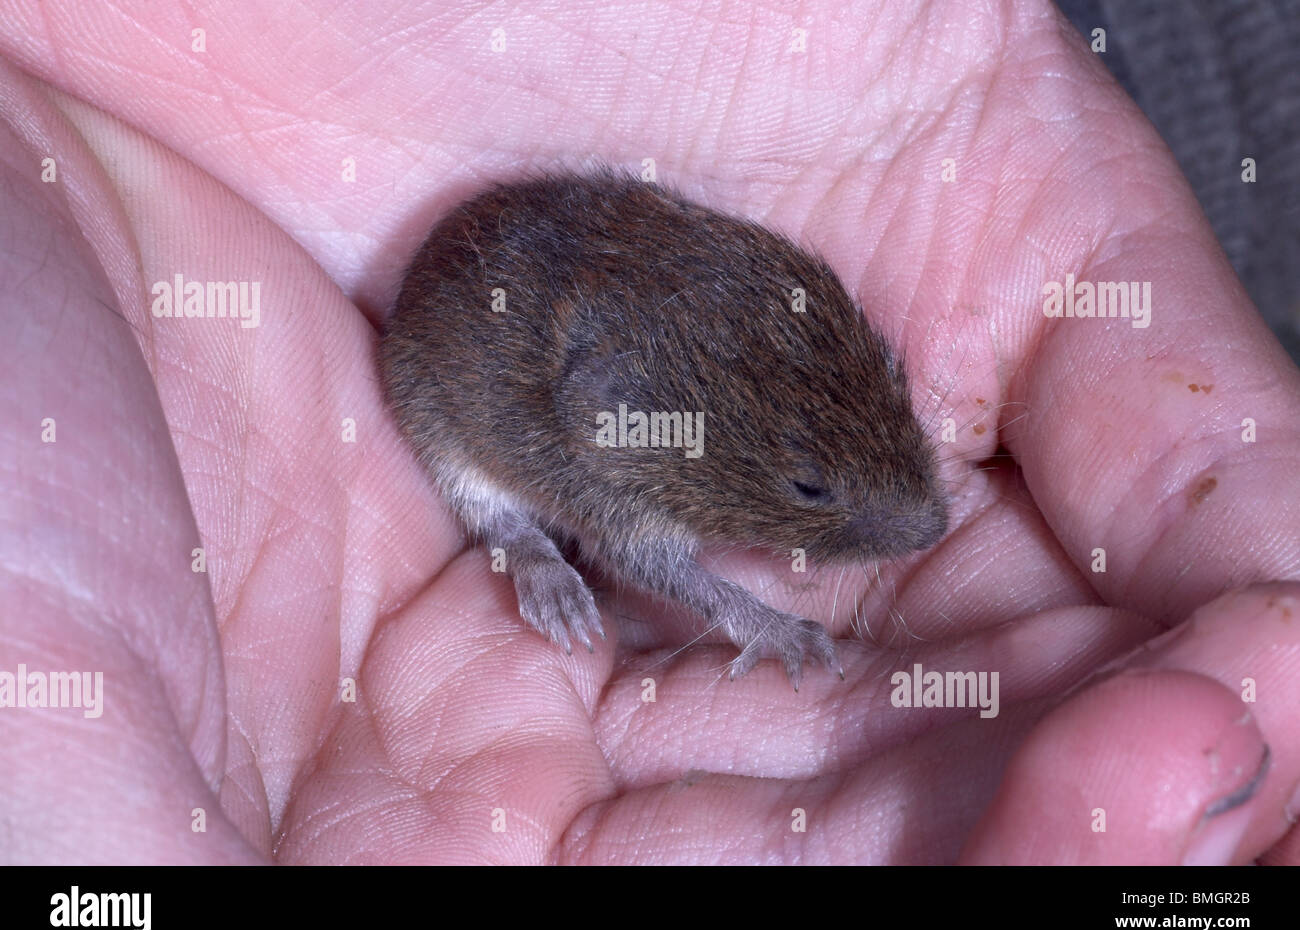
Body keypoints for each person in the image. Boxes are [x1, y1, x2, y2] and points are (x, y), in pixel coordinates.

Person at [0, 0, 1296, 864]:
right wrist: (757, 616)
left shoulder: (748, 288)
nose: (912, 526)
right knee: (510, 507)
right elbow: (652, 549)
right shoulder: (610, 442)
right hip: (474, 395)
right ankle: (512, 537)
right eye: (806, 488)